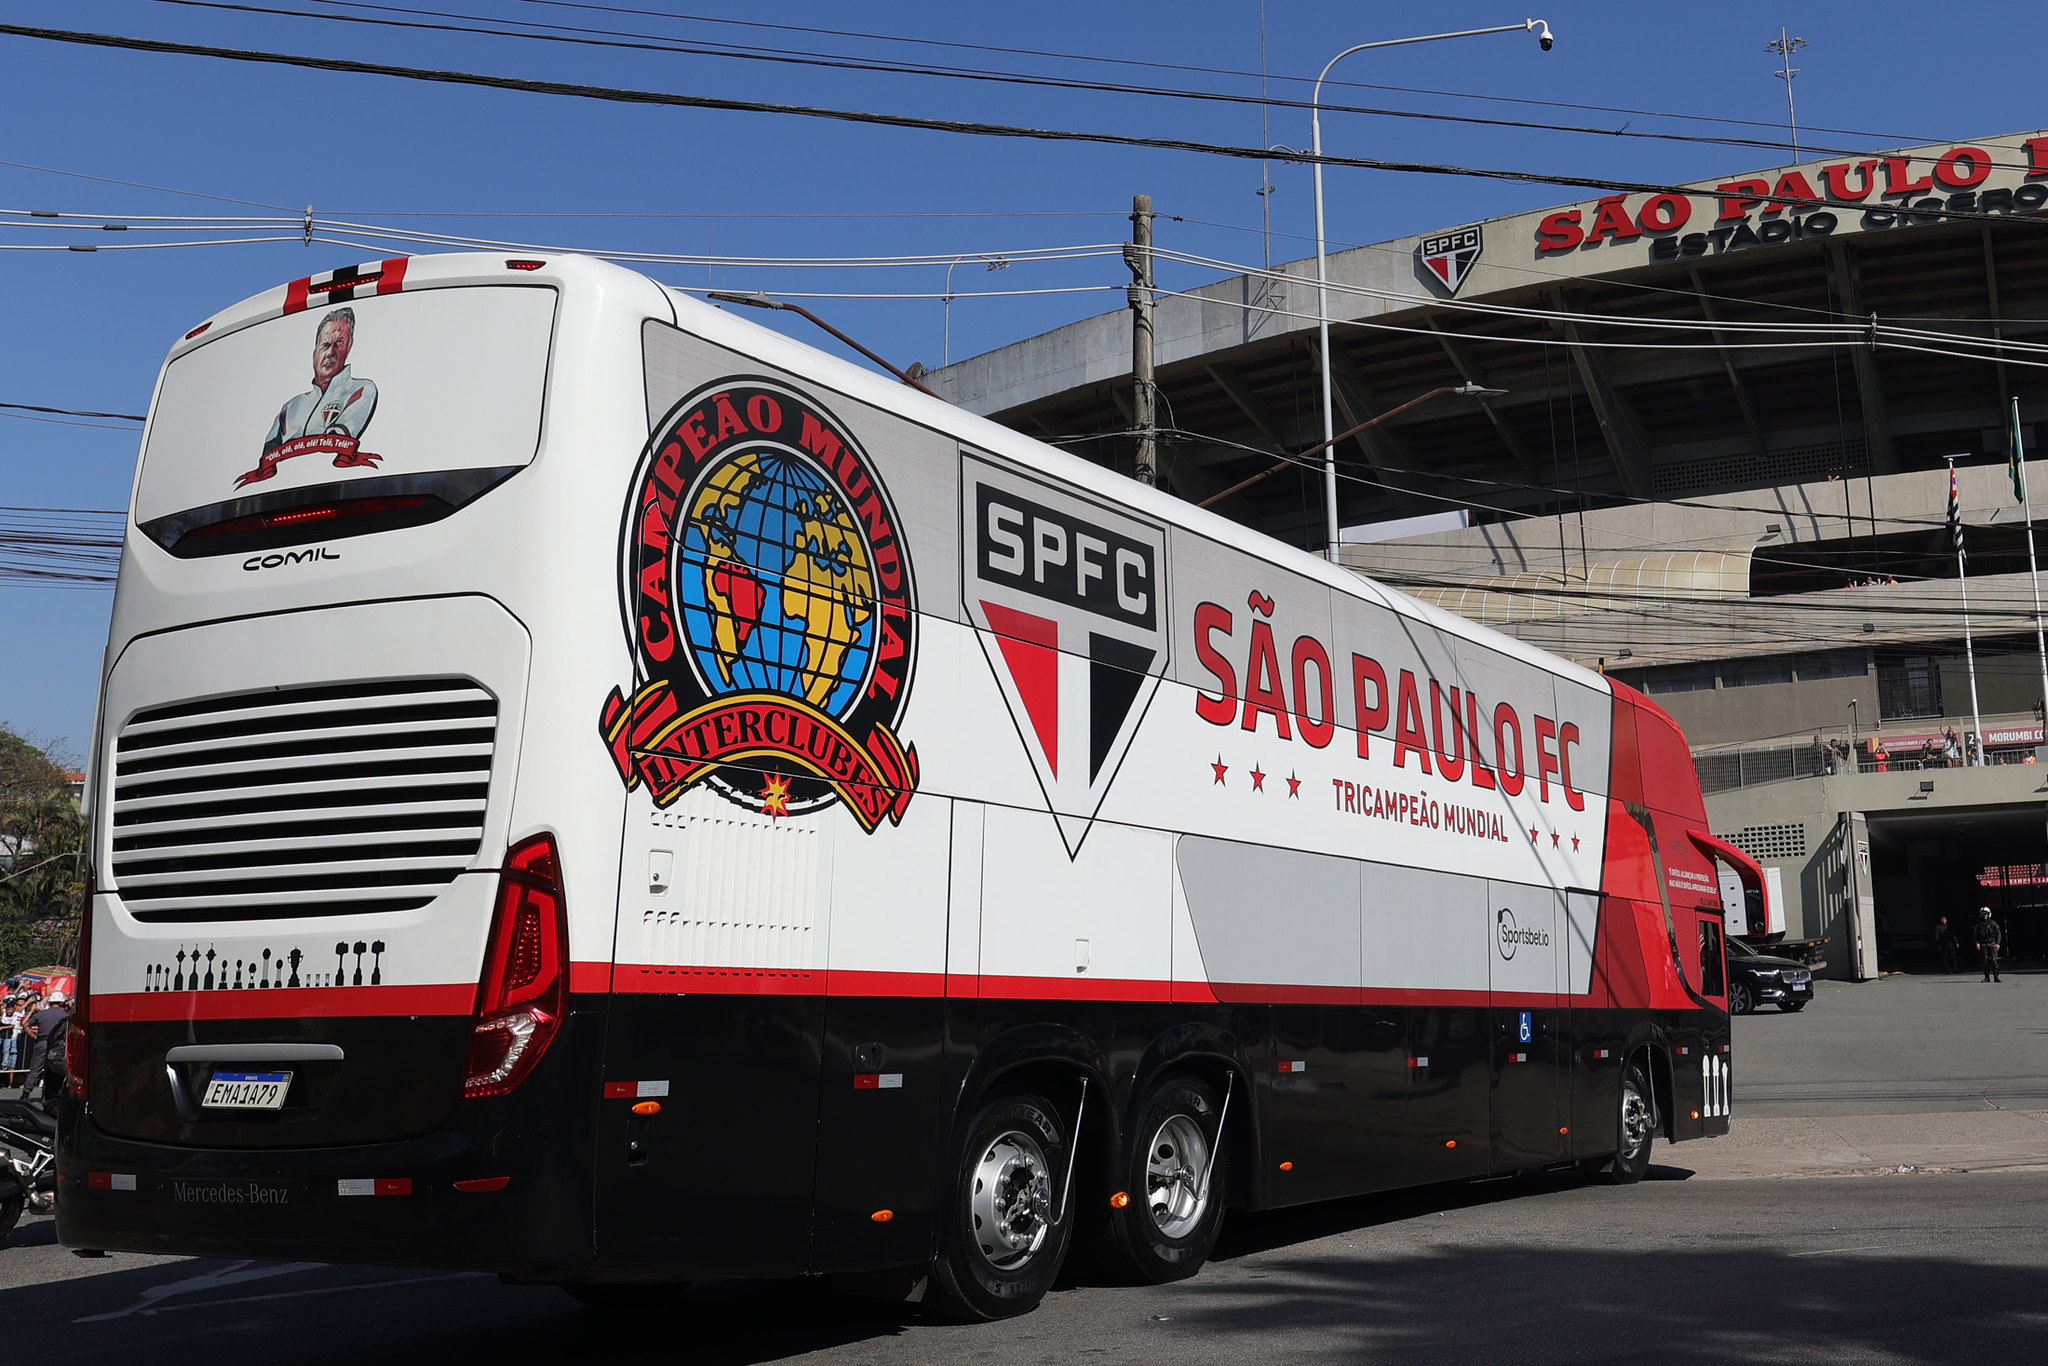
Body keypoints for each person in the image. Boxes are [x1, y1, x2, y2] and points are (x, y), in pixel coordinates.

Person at [261, 306, 379, 456]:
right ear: (315, 350)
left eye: (339, 343)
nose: (331, 353)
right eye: (326, 345)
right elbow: (267, 458)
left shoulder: (361, 390)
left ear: (349, 346)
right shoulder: (291, 407)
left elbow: (338, 442)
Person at [21, 989, 70, 1103]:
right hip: (58, 1045)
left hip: (42, 1042)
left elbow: (25, 1024)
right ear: (61, 1003)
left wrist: (34, 1036)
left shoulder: (41, 1014)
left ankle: (26, 1094)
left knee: (35, 1068)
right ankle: (52, 1094)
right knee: (57, 1069)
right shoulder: (65, 1016)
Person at [1974, 907, 2004, 983]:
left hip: (1992, 943)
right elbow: (1975, 935)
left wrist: (1998, 943)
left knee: (1994, 960)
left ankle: (1996, 977)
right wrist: (1977, 943)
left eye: (1986, 914)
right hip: (1983, 944)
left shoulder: (1993, 923)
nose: (1984, 915)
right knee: (1985, 961)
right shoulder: (1979, 924)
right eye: (1983, 914)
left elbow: (1998, 933)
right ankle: (1986, 977)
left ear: (1989, 914)